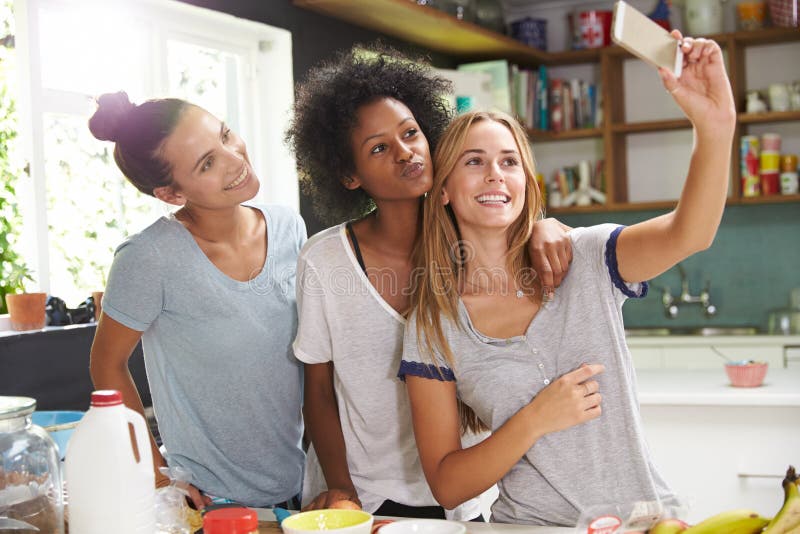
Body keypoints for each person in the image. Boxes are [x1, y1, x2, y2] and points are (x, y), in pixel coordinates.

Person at [399, 32, 735, 526]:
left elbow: (692, 233)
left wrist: (715, 125)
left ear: (525, 182)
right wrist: (536, 418)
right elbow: (447, 483)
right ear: (444, 189)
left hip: (639, 521)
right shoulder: (431, 326)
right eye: (474, 161)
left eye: (509, 161)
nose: (495, 174)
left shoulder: (587, 258)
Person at [286, 45, 573, 518]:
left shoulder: (480, 239)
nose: (406, 153)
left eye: (411, 133)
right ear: (348, 175)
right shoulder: (325, 260)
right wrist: (341, 488)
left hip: (472, 494)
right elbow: (317, 390)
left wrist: (548, 225)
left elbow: (527, 226)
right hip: (364, 498)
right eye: (379, 148)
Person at [88, 92, 306, 509]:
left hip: (299, 488)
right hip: (210, 502)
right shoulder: (149, 257)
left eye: (225, 135)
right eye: (207, 162)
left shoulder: (287, 227)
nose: (234, 157)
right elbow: (106, 363)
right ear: (171, 193)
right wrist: (157, 477)